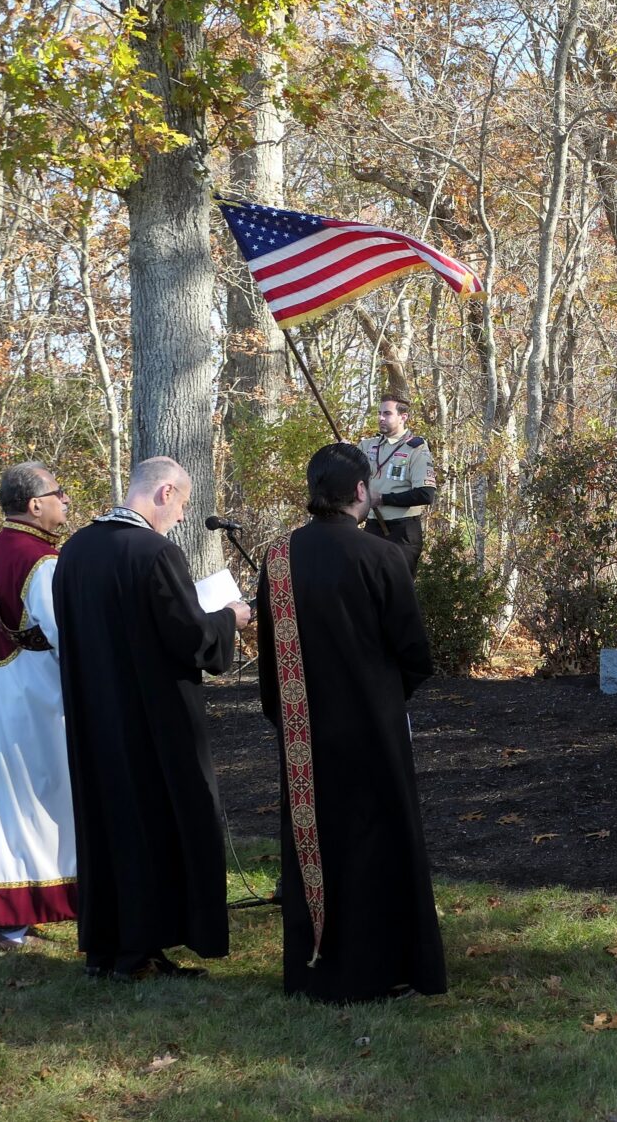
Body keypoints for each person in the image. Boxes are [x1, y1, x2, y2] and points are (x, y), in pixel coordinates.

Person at [256, 443, 446, 1002]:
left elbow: (271, 654)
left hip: (304, 731)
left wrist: (285, 713)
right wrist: (387, 697)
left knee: (317, 842)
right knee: (379, 842)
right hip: (375, 729)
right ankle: (384, 969)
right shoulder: (382, 557)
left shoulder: (278, 558)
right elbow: (415, 652)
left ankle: (318, 969)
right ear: (362, 492)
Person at [54, 456, 250, 981]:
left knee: (107, 824)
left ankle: (109, 947)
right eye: (183, 503)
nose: (183, 516)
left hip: (94, 717)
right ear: (164, 492)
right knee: (157, 823)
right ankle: (140, 948)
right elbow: (191, 639)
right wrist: (229, 617)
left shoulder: (74, 551)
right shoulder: (153, 553)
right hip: (151, 721)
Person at [0, 462, 78, 951]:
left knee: (5, 804)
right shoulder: (40, 560)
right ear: (35, 505)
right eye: (60, 493)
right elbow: (64, 636)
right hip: (35, 698)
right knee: (38, 804)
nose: (66, 502)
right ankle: (8, 920)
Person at [359, 394, 437, 569]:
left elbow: (426, 494)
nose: (380, 418)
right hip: (372, 527)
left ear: (403, 417)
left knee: (398, 590)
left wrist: (383, 499)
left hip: (402, 532)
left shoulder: (416, 448)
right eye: (379, 413)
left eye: (387, 413)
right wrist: (342, 450)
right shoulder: (368, 446)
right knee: (368, 589)